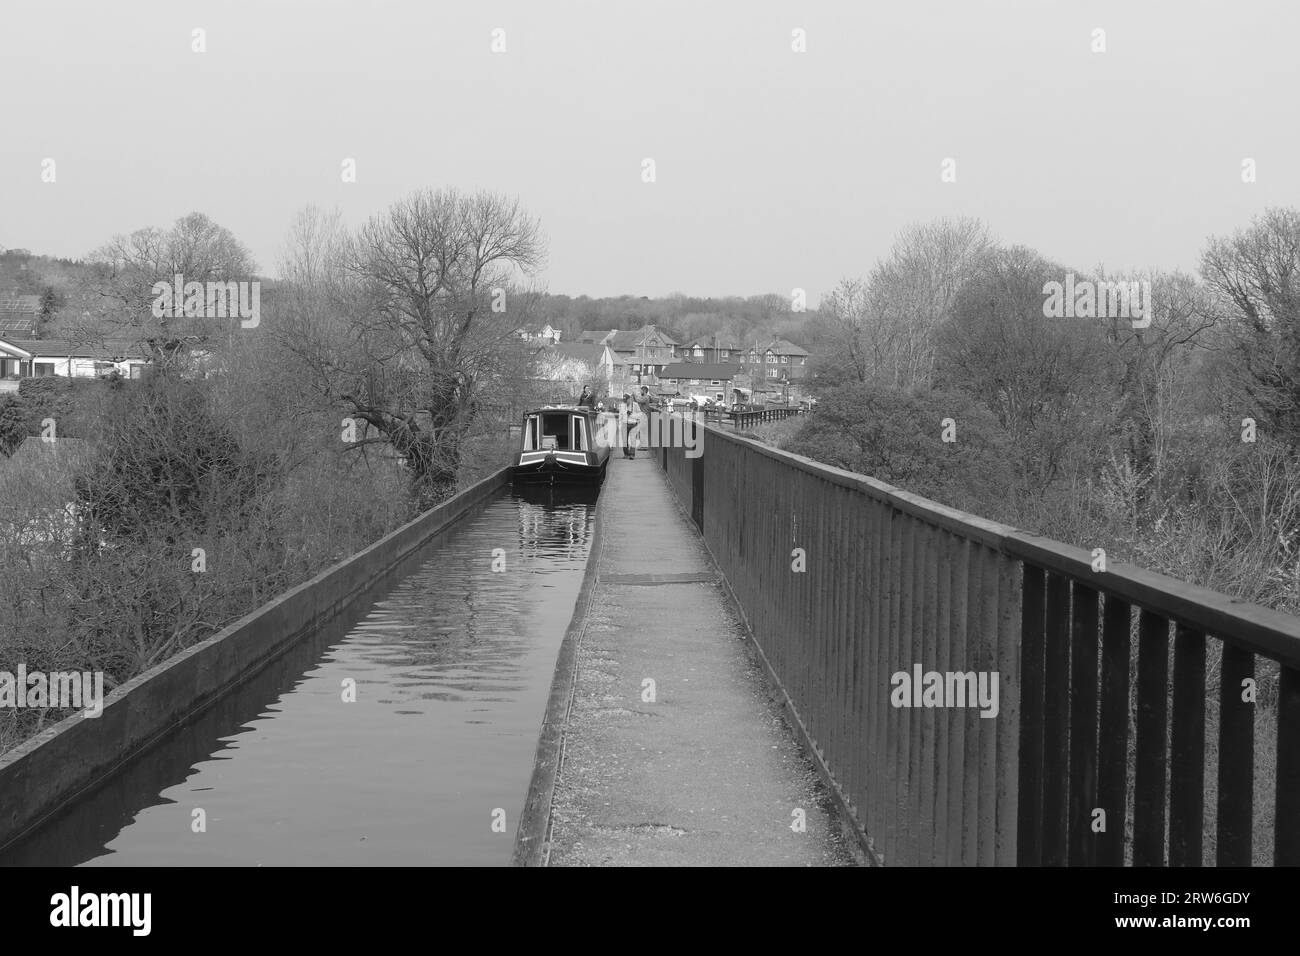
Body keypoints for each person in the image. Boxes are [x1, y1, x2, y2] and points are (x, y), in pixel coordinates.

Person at [621, 393, 639, 458]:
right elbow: (621, 414)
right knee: (624, 440)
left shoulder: (635, 405)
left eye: (626, 400)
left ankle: (632, 454)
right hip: (625, 424)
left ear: (629, 399)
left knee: (633, 440)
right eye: (624, 401)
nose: (625, 402)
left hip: (633, 424)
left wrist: (633, 415)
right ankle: (626, 454)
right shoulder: (623, 405)